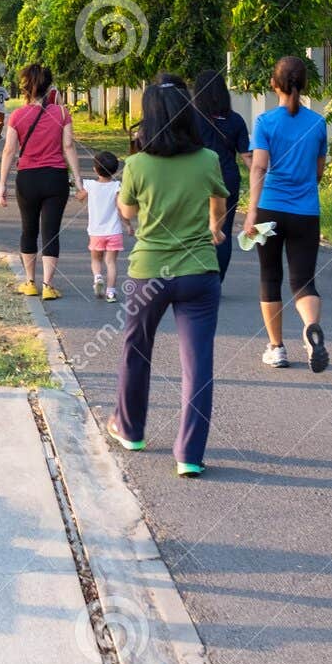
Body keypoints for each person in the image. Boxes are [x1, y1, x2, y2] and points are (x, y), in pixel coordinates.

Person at [107, 75, 228, 477]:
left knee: (135, 350)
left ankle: (130, 429)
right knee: (198, 364)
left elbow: (126, 213)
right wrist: (214, 226)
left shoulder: (138, 165)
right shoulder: (208, 160)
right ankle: (189, 455)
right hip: (199, 272)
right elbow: (220, 202)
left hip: (149, 274)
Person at [244, 56, 329, 373]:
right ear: (304, 84)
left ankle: (277, 348)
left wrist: (252, 212)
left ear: (274, 84)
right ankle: (310, 330)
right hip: (306, 211)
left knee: (270, 277)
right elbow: (318, 172)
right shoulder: (318, 124)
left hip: (270, 208)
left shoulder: (265, 122)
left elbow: (260, 166)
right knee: (304, 281)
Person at [0, 62, 84, 300]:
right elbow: (68, 146)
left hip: (28, 179)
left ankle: (30, 282)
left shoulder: (17, 115)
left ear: (24, 89)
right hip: (55, 177)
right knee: (51, 231)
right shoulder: (62, 113)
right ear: (49, 87)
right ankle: (48, 285)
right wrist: (78, 180)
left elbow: (9, 151)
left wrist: (2, 184)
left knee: (29, 229)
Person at [192, 69, 251, 283]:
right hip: (228, 178)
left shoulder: (191, 119)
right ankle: (217, 279)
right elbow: (247, 156)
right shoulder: (236, 120)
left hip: (197, 178)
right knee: (223, 229)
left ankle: (199, 276)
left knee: (198, 226)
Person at [83, 150, 129, 302]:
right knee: (111, 262)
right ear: (115, 169)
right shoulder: (117, 186)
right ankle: (111, 292)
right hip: (114, 231)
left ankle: (97, 277)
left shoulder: (90, 185)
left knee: (96, 259)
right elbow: (121, 209)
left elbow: (79, 197)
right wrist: (128, 225)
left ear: (95, 169)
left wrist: (76, 184)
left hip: (96, 231)